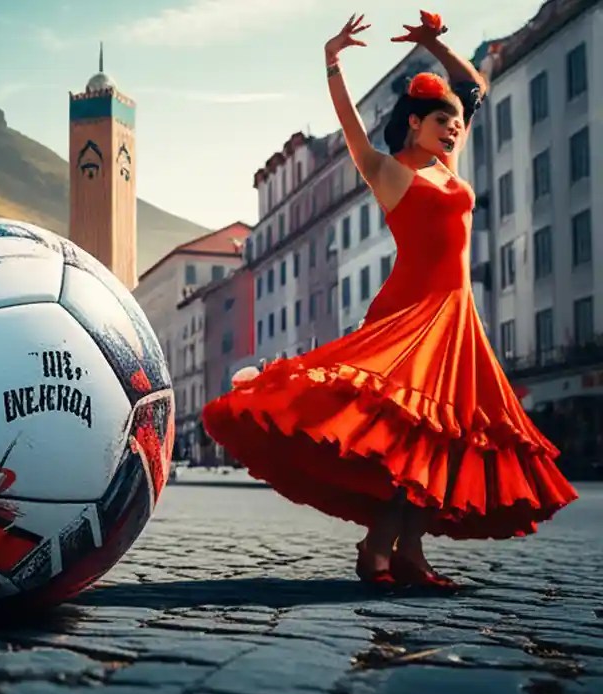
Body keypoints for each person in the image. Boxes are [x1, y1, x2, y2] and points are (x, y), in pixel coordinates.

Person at [202, 10, 579, 592]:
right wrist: (331, 61)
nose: (454, 129)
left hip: (455, 319)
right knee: (408, 440)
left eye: (455, 123)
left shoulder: (447, 167)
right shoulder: (389, 172)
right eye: (441, 120)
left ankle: (397, 551)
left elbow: (476, 86)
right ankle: (390, 552)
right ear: (413, 125)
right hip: (407, 316)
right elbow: (350, 124)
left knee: (442, 442)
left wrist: (434, 46)